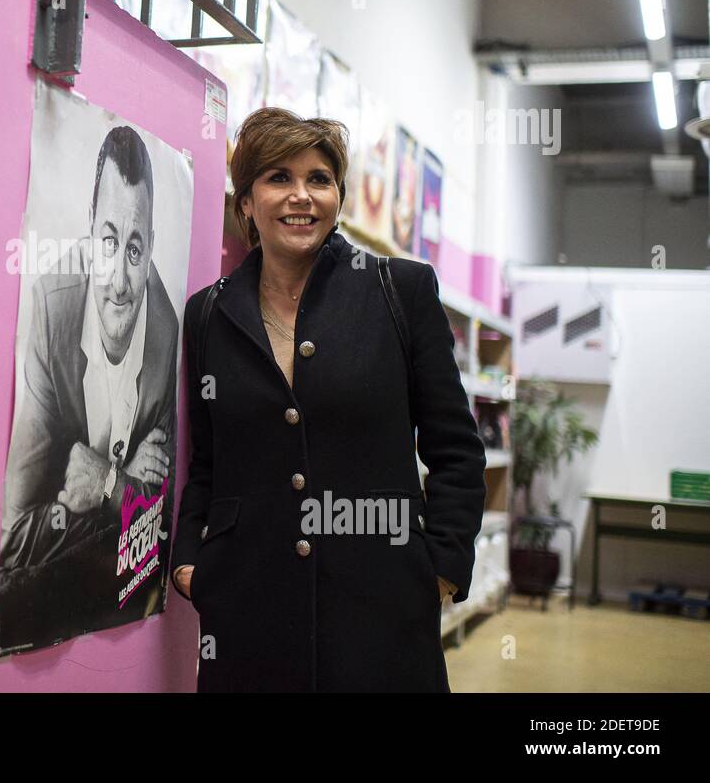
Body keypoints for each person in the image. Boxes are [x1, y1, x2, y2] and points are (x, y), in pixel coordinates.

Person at [169, 108, 486, 691]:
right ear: (246, 202)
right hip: (247, 611)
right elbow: (207, 462)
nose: (302, 196)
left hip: (382, 608)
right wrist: (190, 559)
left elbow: (456, 450)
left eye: (319, 178)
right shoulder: (209, 313)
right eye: (279, 178)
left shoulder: (399, 290)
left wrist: (440, 568)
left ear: (338, 196)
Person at [0, 126, 179, 655]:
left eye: (135, 249)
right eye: (109, 242)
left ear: (152, 248)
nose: (119, 281)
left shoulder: (168, 337)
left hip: (121, 623)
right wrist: (126, 494)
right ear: (90, 231)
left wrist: (103, 483)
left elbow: (160, 532)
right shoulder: (53, 311)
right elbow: (10, 539)